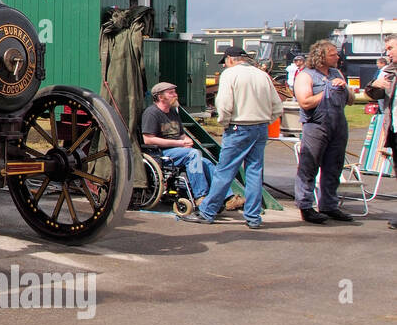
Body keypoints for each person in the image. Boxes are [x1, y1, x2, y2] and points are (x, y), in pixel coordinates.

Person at [180, 48, 282, 229]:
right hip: (260, 126)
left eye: (225, 61)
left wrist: (224, 122)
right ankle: (253, 217)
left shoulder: (230, 74)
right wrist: (266, 120)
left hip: (238, 126)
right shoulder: (262, 75)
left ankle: (208, 211)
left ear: (230, 59)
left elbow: (224, 104)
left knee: (225, 170)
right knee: (254, 171)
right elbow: (277, 105)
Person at [293, 38, 354, 224]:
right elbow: (305, 102)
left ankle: (329, 205)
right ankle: (305, 206)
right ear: (321, 56)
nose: (337, 56)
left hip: (338, 125)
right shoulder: (306, 75)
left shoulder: (336, 72)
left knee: (334, 166)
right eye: (333, 53)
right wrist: (327, 90)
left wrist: (345, 88)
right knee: (309, 166)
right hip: (316, 125)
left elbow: (350, 100)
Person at [140, 80, 211, 205]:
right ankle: (201, 196)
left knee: (206, 162)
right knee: (193, 154)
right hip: (160, 152)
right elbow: (148, 139)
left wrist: (186, 140)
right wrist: (179, 144)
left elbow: (181, 134)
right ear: (160, 97)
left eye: (175, 92)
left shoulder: (173, 112)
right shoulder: (151, 113)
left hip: (178, 150)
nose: (175, 95)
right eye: (171, 93)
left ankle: (226, 197)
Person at [362, 34, 397, 229]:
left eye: (391, 48)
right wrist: (373, 85)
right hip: (394, 129)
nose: (387, 53)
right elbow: (373, 94)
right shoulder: (388, 71)